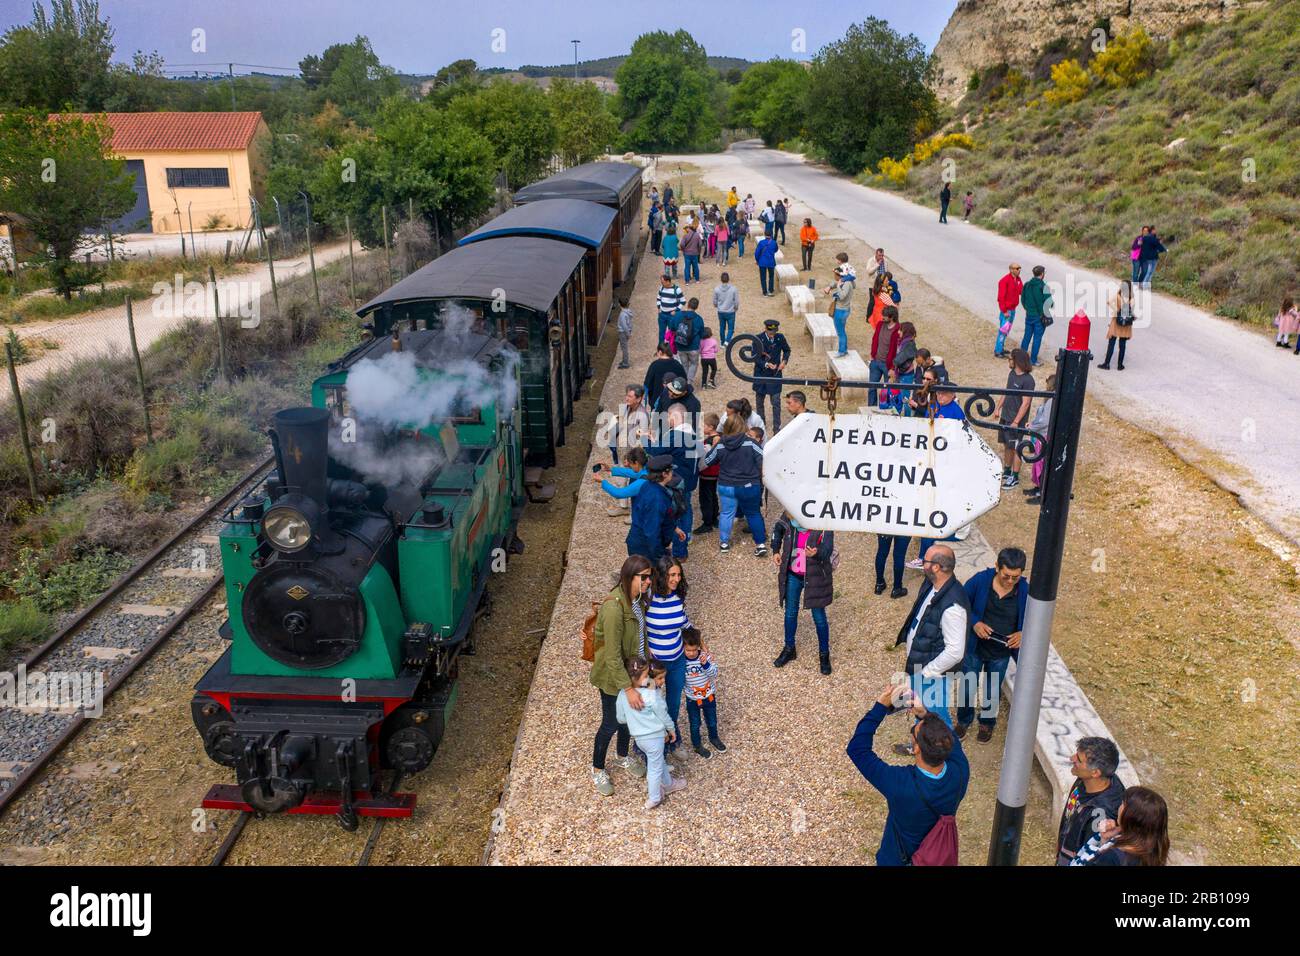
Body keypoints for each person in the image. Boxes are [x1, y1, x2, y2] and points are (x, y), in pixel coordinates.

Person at [846, 682, 970, 866]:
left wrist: (880, 706)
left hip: (897, 858)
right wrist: (924, 714)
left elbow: (857, 749)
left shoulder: (900, 784)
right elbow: (948, 736)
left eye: (914, 731)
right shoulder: (960, 771)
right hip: (937, 853)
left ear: (915, 748)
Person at [590, 556, 653, 796]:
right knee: (611, 723)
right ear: (630, 578)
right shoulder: (614, 607)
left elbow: (639, 634)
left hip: (634, 673)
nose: (648, 581)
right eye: (644, 577)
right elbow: (612, 656)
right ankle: (597, 769)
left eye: (650, 576)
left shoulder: (636, 599)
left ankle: (622, 756)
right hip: (615, 678)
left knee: (628, 719)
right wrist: (627, 689)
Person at [954, 547, 1028, 742]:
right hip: (975, 648)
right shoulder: (980, 581)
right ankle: (963, 720)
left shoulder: (1025, 591)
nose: (1010, 581)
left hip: (1001, 652)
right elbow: (960, 604)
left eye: (1015, 577)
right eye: (1006, 576)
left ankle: (987, 723)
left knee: (992, 689)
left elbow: (1036, 620)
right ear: (997, 567)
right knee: (968, 686)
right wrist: (975, 623)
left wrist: (1022, 633)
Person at [893, 544, 969, 734]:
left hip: (933, 675)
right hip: (922, 666)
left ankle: (946, 754)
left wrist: (926, 673)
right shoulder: (931, 584)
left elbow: (955, 652)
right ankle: (920, 744)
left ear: (936, 567)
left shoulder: (953, 608)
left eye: (924, 561)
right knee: (922, 711)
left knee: (937, 720)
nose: (921, 564)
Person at [771, 511, 835, 675]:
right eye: (793, 519)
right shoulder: (788, 515)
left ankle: (824, 654)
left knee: (819, 617)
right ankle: (789, 648)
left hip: (814, 578)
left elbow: (827, 549)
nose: (794, 522)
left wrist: (817, 553)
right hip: (793, 574)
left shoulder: (823, 521)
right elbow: (777, 529)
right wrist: (775, 550)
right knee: (790, 613)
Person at [616, 657, 684, 809]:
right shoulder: (650, 695)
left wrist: (635, 719)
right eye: (646, 676)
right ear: (636, 678)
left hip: (640, 738)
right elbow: (663, 715)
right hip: (654, 737)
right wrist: (671, 729)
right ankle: (654, 798)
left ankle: (668, 783)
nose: (649, 678)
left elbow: (620, 719)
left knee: (657, 761)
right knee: (654, 768)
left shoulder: (622, 694)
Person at [699, 414, 767, 556]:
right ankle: (760, 544)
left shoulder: (721, 444)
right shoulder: (751, 443)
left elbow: (708, 460)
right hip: (749, 485)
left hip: (726, 485)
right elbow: (764, 460)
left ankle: (724, 543)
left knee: (726, 513)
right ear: (743, 426)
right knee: (753, 514)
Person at [1057, 736, 1128, 864]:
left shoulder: (1102, 815)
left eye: (1078, 759)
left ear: (1095, 773)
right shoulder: (1084, 780)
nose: (1071, 759)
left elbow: (1091, 855)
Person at [645, 555, 690, 751]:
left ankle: (673, 741)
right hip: (656, 664)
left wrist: (701, 643)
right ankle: (651, 746)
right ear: (662, 575)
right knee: (653, 707)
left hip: (678, 660)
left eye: (678, 575)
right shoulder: (647, 597)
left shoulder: (678, 596)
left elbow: (685, 623)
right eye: (672, 575)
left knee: (672, 706)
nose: (676, 579)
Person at [1069, 786, 1169, 867]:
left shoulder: (1112, 858)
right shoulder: (1152, 849)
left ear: (1131, 816)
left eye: (1122, 804)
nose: (1119, 807)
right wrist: (1104, 839)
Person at [648, 401, 698, 558]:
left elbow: (656, 453)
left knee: (676, 517)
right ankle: (686, 540)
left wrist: (646, 439)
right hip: (690, 480)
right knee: (686, 509)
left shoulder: (676, 435)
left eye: (668, 416)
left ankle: (679, 551)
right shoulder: (693, 433)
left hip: (677, 483)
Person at [627, 455, 685, 560]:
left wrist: (674, 527)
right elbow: (651, 532)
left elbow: (661, 515)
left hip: (641, 542)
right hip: (646, 549)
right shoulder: (657, 499)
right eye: (671, 471)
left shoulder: (649, 485)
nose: (673, 473)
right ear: (664, 474)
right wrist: (661, 557)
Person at [680, 627, 726, 758]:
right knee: (695, 724)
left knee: (712, 720)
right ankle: (697, 745)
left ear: (699, 646)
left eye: (694, 649)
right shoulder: (681, 662)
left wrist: (706, 664)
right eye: (688, 650)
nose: (692, 653)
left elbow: (714, 674)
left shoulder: (705, 657)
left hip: (709, 696)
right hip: (692, 699)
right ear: (683, 648)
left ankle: (714, 738)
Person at [996, 349, 1035, 489]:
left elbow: (1026, 403)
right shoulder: (1012, 374)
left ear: (1017, 361)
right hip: (1005, 417)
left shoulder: (1028, 380)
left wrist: (1016, 422)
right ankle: (1007, 470)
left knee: (1016, 448)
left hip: (1016, 421)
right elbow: (1005, 392)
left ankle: (1015, 476)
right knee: (1007, 445)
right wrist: (997, 408)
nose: (1009, 361)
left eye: (1010, 359)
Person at [751, 318, 790, 428]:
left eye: (774, 332)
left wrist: (784, 361)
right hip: (761, 374)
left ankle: (776, 427)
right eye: (770, 332)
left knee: (776, 403)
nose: (772, 334)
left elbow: (787, 350)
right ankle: (761, 426)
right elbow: (754, 357)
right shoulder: (758, 339)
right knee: (759, 403)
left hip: (775, 374)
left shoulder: (780, 337)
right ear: (766, 329)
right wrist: (766, 364)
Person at [1024, 373, 1055, 504]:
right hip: (1041, 435)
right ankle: (1038, 488)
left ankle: (1042, 493)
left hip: (1044, 436)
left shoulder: (1051, 399)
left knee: (1042, 464)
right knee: (1038, 463)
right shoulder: (1049, 399)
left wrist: (1032, 427)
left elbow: (1045, 422)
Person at [1098, 280, 1136, 370]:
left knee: (1111, 343)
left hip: (1116, 321)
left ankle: (1106, 364)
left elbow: (1109, 302)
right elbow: (1131, 310)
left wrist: (1116, 310)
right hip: (1126, 324)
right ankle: (1120, 365)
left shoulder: (1118, 296)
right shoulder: (1132, 298)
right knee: (1122, 345)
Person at [693, 412, 721, 535]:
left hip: (708, 472)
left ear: (711, 427)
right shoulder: (718, 437)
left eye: (703, 425)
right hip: (713, 473)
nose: (701, 428)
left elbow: (712, 455)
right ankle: (714, 518)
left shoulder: (714, 439)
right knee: (712, 495)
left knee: (705, 497)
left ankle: (707, 522)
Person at [824, 254, 856, 356]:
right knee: (841, 330)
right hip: (842, 309)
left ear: (840, 276)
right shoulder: (845, 281)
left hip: (841, 310)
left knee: (840, 332)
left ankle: (842, 351)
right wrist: (831, 286)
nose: (834, 276)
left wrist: (838, 287)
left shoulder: (846, 284)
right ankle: (843, 349)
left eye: (835, 274)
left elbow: (842, 296)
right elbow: (836, 282)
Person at [868, 306, 900, 408]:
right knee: (871, 388)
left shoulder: (898, 330)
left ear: (892, 317)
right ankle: (871, 409)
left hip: (888, 366)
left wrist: (893, 368)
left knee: (887, 390)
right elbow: (874, 339)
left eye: (885, 316)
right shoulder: (880, 325)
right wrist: (872, 355)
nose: (883, 318)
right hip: (876, 362)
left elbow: (897, 351)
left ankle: (885, 410)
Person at [1019, 265, 1050, 367]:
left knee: (1026, 337)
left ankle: (1021, 359)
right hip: (1039, 316)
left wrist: (1028, 309)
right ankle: (1033, 360)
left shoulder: (1027, 285)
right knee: (1037, 338)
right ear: (1042, 274)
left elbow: (1023, 299)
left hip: (1029, 315)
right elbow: (1048, 302)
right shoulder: (1043, 286)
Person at [887, 321, 918, 416]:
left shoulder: (909, 345)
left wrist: (893, 367)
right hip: (901, 374)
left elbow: (900, 358)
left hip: (906, 375)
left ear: (905, 332)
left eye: (900, 330)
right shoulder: (904, 343)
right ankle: (896, 415)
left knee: (905, 398)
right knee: (897, 396)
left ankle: (907, 419)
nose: (898, 332)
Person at [643, 341, 686, 410]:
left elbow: (648, 384)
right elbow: (684, 382)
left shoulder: (654, 365)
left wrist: (650, 400)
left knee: (657, 420)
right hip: (676, 402)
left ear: (660, 352)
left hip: (657, 401)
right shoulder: (678, 365)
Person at [673, 297, 705, 384]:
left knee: (684, 364)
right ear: (697, 307)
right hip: (693, 346)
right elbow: (702, 333)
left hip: (680, 344)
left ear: (688, 305)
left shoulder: (678, 315)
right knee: (694, 364)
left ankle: (683, 382)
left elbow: (672, 327)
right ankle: (689, 382)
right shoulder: (699, 319)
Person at [996, 264, 1023, 358]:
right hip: (1007, 310)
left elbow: (1021, 291)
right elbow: (1001, 298)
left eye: (1020, 268)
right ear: (1011, 270)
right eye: (1017, 268)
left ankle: (1001, 348)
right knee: (1003, 330)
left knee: (1006, 330)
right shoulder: (1004, 281)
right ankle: (998, 351)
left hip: (1013, 309)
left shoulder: (1018, 280)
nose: (1019, 270)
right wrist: (1004, 311)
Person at [656, 273, 684, 344]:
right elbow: (658, 298)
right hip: (662, 314)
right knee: (661, 333)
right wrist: (659, 308)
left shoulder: (677, 289)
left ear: (668, 281)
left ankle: (671, 350)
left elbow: (683, 301)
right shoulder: (661, 288)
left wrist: (676, 310)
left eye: (663, 282)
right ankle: (661, 350)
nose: (662, 284)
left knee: (672, 333)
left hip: (671, 315)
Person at [713, 271, 739, 346]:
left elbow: (715, 300)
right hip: (730, 311)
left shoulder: (717, 289)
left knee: (722, 327)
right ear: (728, 279)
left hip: (721, 311)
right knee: (731, 328)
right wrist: (736, 308)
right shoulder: (734, 289)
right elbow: (736, 300)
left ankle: (722, 342)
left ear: (721, 279)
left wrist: (716, 305)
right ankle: (727, 341)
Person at [754, 231, 778, 297]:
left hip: (762, 262)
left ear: (765, 235)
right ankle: (770, 290)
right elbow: (776, 250)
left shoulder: (761, 243)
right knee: (771, 276)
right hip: (771, 262)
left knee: (763, 277)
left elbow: (757, 253)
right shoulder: (774, 242)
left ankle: (765, 292)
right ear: (771, 235)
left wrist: (757, 260)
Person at [616, 297, 633, 369]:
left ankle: (625, 363)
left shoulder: (622, 314)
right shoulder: (628, 312)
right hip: (626, 331)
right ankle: (624, 361)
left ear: (620, 304)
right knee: (624, 347)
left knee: (624, 348)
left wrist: (628, 334)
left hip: (623, 332)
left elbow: (624, 325)